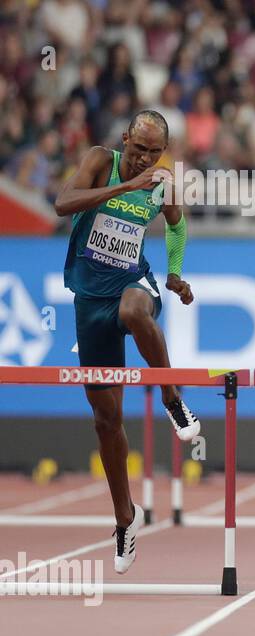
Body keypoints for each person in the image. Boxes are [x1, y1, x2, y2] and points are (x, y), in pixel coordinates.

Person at [54, 110, 201, 574]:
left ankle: (173, 399)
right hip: (88, 299)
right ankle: (125, 519)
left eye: (153, 153)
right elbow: (63, 203)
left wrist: (174, 272)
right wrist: (124, 186)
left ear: (163, 152)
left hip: (133, 282)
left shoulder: (164, 180)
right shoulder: (102, 160)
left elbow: (176, 224)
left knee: (136, 312)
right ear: (125, 140)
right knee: (106, 420)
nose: (143, 159)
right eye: (137, 149)